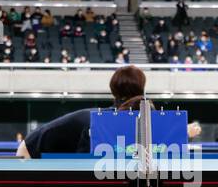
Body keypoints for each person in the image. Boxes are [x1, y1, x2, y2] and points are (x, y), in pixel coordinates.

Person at [17, 65, 146, 159]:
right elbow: (28, 147)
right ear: (142, 90)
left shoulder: (143, 121)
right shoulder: (94, 120)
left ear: (113, 92)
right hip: (29, 153)